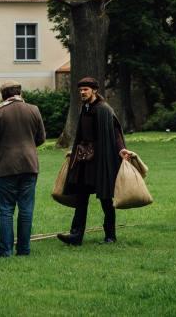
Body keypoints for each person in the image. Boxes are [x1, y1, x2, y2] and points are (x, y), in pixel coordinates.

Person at [57, 77, 131, 246]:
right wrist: (75, 151)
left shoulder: (104, 109)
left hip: (101, 162)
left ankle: (110, 236)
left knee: (106, 199)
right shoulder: (85, 108)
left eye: (86, 90)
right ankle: (75, 236)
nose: (82, 92)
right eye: (81, 90)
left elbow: (115, 132)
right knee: (81, 197)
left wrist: (121, 149)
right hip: (85, 161)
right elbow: (83, 135)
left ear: (94, 91)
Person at [0, 81, 46, 257]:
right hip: (30, 164)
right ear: (19, 92)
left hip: (7, 166)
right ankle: (24, 249)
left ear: (3, 94)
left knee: (6, 209)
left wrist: (3, 152)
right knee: (26, 209)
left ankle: (5, 250)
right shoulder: (33, 109)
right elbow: (41, 137)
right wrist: (29, 148)